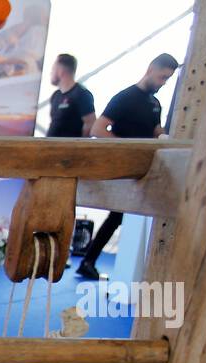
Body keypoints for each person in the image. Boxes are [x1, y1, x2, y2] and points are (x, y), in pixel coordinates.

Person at [76, 54, 179, 281]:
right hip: (124, 169)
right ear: (151, 68)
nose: (163, 83)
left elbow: (155, 129)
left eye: (167, 80)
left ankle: (89, 260)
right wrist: (125, 148)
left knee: (120, 217)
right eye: (162, 77)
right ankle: (88, 260)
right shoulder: (125, 97)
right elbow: (98, 129)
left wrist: (167, 138)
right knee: (117, 216)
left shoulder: (155, 103)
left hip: (147, 168)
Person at [46, 54, 95, 138]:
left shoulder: (81, 94)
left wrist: (79, 147)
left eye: (53, 68)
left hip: (70, 149)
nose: (50, 73)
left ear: (60, 70)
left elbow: (90, 124)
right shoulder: (56, 95)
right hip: (51, 148)